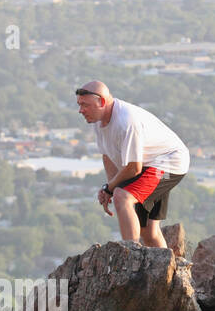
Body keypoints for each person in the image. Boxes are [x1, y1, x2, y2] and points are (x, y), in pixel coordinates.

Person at [76, 81, 189, 247]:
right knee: (148, 231)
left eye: (85, 105)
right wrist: (111, 187)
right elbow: (107, 155)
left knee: (124, 197)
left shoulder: (126, 121)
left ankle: (130, 254)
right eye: (79, 104)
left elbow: (133, 168)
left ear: (101, 102)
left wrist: (111, 188)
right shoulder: (99, 122)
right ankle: (168, 270)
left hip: (169, 162)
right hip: (148, 164)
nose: (80, 110)